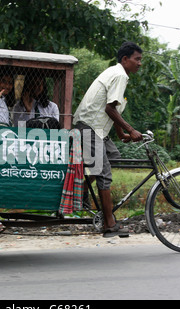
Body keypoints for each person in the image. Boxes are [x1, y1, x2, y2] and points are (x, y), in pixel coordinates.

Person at [73, 41, 143, 238]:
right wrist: (132, 129)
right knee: (104, 173)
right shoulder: (119, 75)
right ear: (125, 59)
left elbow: (113, 108)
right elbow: (109, 109)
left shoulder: (117, 73)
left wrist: (122, 135)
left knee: (113, 155)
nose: (139, 63)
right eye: (137, 59)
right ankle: (109, 223)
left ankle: (84, 190)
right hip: (90, 127)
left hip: (98, 129)